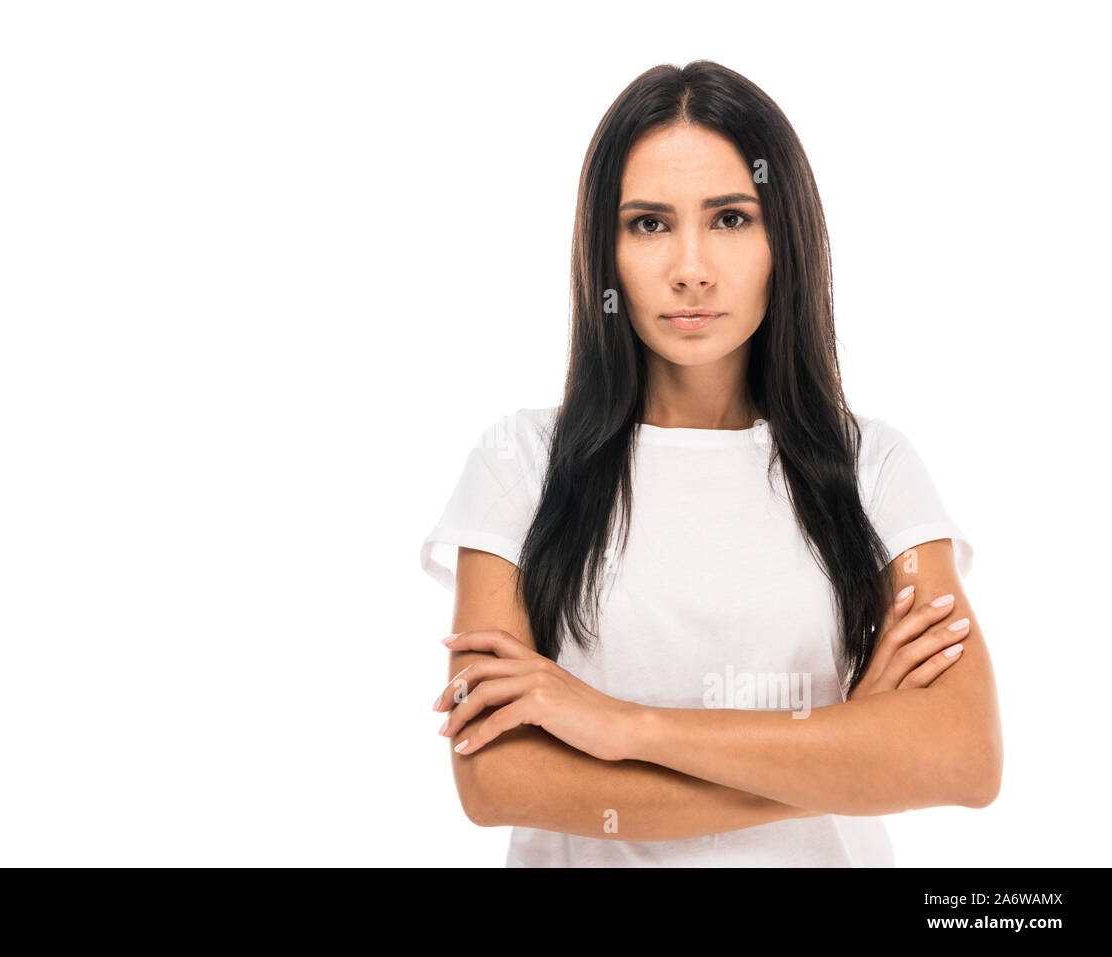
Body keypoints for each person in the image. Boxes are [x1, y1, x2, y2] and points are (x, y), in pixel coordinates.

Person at [418, 61, 1002, 867]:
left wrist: (624, 725)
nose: (690, 266)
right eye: (649, 224)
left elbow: (963, 757)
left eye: (730, 217)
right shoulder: (518, 464)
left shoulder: (873, 468)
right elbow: (498, 780)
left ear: (783, 238)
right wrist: (845, 752)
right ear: (604, 254)